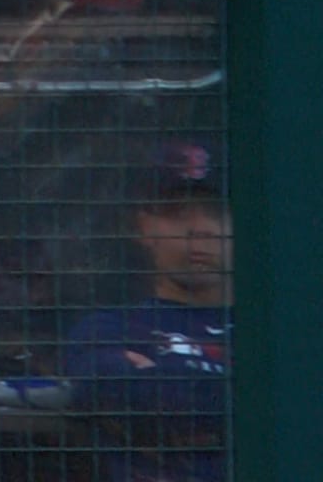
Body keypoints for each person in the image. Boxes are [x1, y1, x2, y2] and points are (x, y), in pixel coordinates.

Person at [62, 140, 231, 482]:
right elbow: (109, 390)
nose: (201, 227)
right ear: (143, 227)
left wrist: (164, 379)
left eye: (217, 211)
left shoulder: (281, 329)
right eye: (178, 212)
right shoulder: (109, 329)